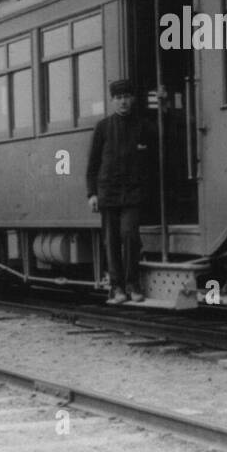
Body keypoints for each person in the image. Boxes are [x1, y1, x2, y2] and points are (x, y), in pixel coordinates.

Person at [86, 78, 157, 304]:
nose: (123, 101)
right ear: (112, 101)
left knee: (130, 236)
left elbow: (152, 161)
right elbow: (93, 164)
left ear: (132, 99)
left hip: (133, 194)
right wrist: (92, 194)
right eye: (118, 98)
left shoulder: (143, 126)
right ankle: (116, 287)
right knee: (111, 240)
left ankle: (132, 284)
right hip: (108, 194)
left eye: (126, 97)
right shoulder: (103, 127)